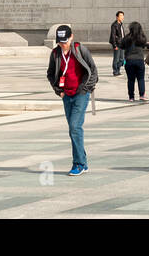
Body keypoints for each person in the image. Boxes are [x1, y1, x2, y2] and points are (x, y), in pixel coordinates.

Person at [45, 24, 98, 175]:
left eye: (65, 41)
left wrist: (85, 89)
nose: (63, 44)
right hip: (66, 95)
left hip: (80, 93)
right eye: (60, 41)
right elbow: (50, 73)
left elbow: (93, 71)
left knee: (74, 127)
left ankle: (78, 164)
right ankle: (84, 163)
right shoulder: (55, 53)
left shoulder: (80, 49)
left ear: (72, 37)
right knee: (74, 130)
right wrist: (58, 90)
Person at [119, 21, 148, 101]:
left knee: (131, 79)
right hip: (139, 60)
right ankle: (142, 95)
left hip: (129, 60)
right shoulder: (142, 38)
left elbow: (121, 46)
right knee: (141, 78)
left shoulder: (127, 38)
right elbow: (145, 45)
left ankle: (131, 97)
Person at [109, 11, 126, 76]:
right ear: (117, 17)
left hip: (122, 44)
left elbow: (122, 35)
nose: (122, 17)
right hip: (117, 44)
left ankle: (118, 70)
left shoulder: (121, 24)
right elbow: (113, 36)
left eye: (123, 15)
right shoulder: (114, 25)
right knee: (116, 58)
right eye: (121, 16)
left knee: (122, 59)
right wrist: (114, 45)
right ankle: (115, 71)